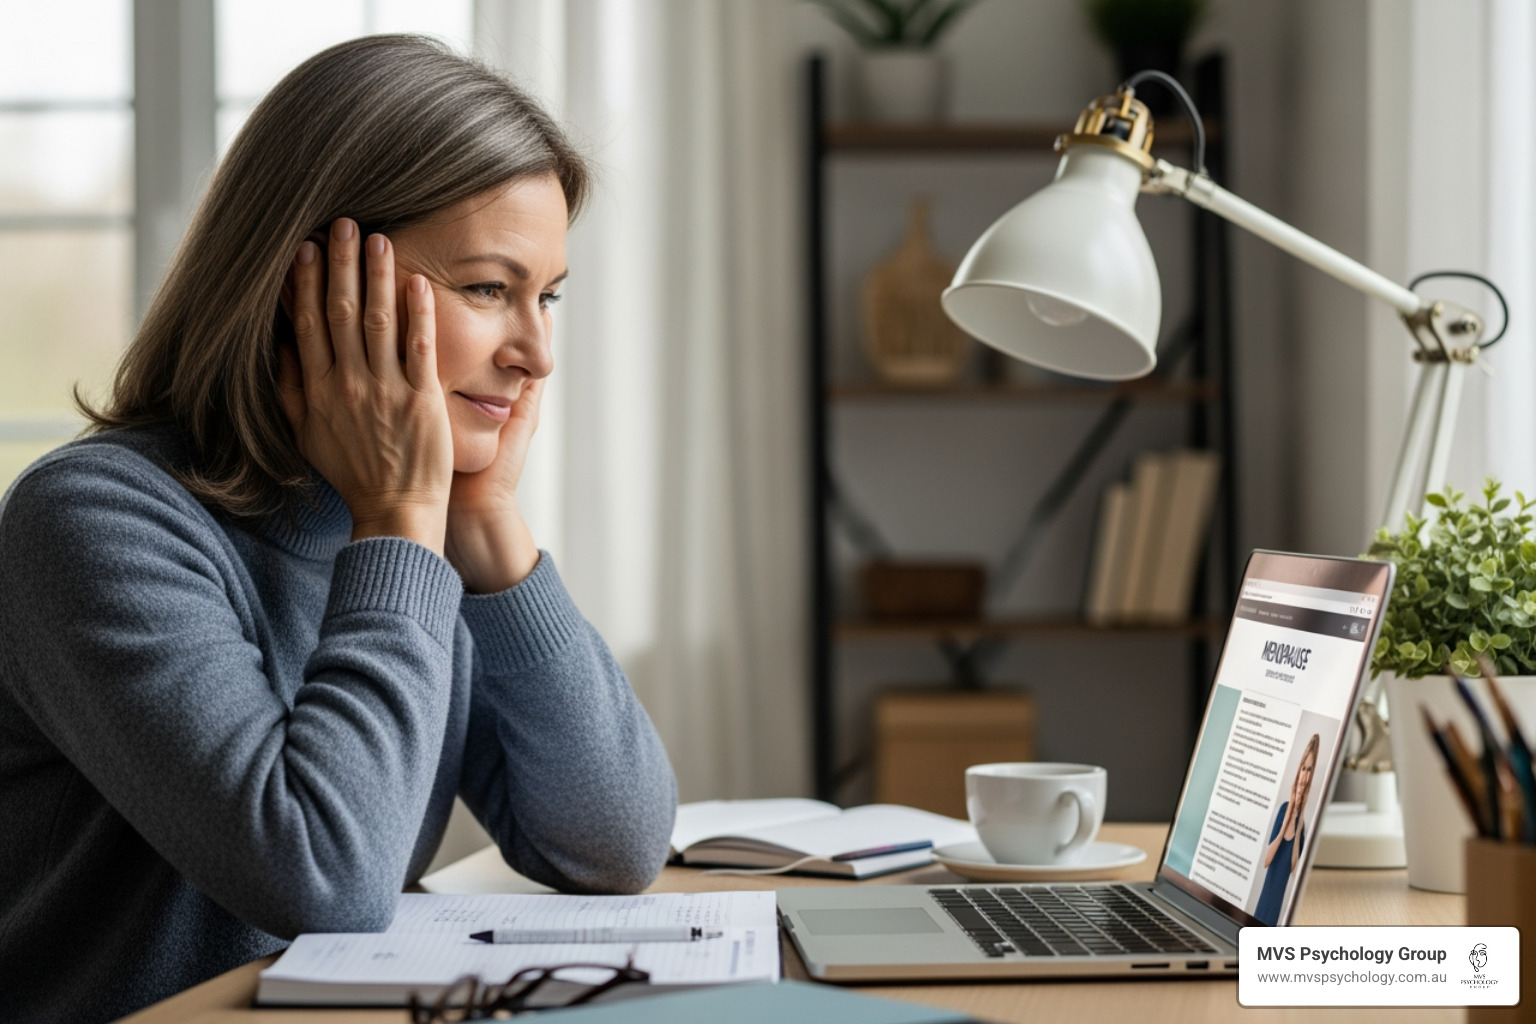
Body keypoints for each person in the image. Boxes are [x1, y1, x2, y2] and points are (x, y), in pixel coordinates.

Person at [0, 36, 677, 1024]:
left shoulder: (411, 532)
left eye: (549, 297)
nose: (537, 353)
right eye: (490, 289)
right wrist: (402, 524)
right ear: (311, 283)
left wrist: (485, 526)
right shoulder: (93, 522)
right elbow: (323, 880)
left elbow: (613, 842)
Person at [1253, 733, 1320, 925]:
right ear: (1298, 770)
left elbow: (1293, 869)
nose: (1305, 776)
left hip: (1278, 903)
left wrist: (1298, 824)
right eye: (1304, 769)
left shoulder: (1303, 825)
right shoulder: (1282, 810)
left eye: (1310, 771)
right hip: (1265, 898)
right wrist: (1286, 822)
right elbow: (1266, 861)